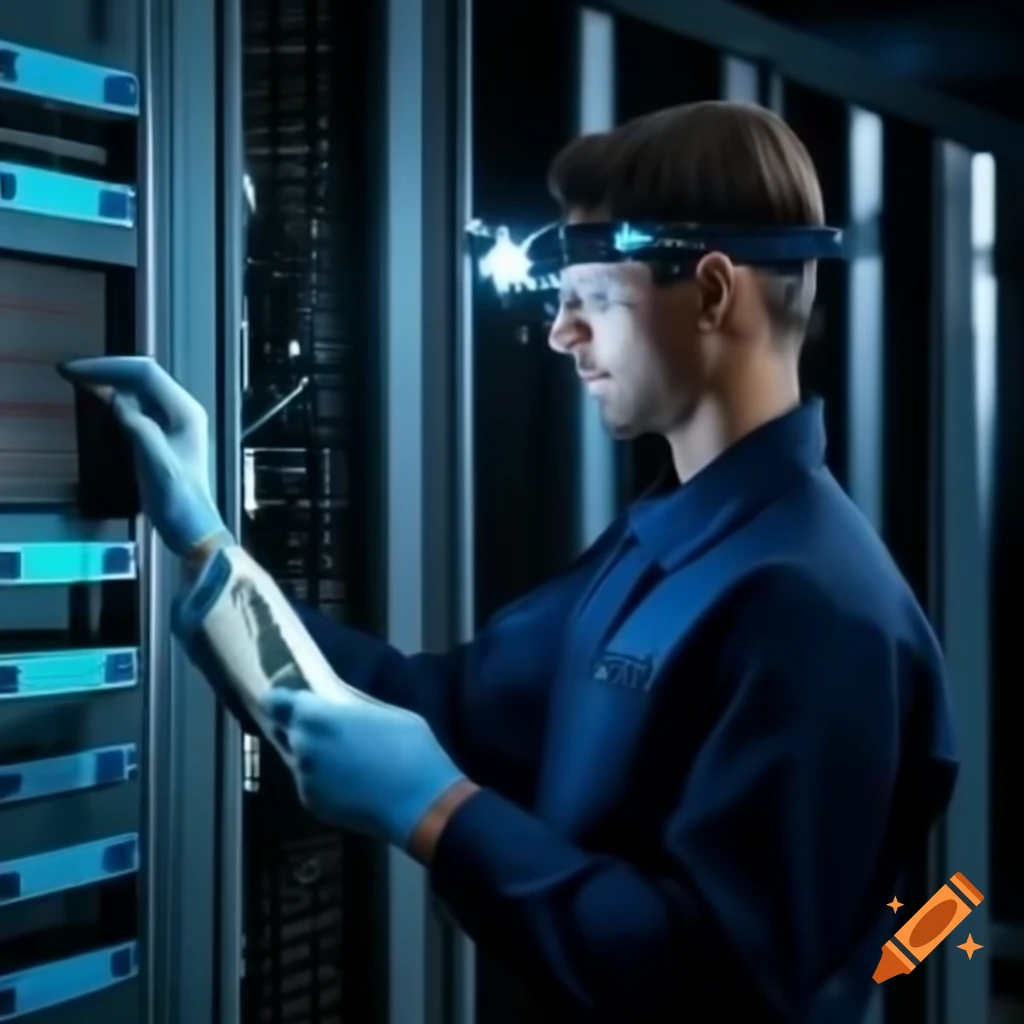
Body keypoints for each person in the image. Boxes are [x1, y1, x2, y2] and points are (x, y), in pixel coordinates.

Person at [61, 100, 957, 1023]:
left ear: (713, 294)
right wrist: (207, 545)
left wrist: (439, 814)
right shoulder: (664, 543)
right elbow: (431, 709)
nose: (562, 333)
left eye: (592, 298)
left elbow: (718, 987)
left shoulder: (816, 610)